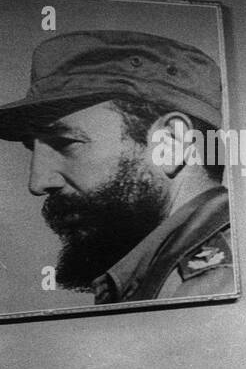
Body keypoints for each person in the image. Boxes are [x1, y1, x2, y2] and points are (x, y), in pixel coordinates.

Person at [0, 30, 234, 304]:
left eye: (65, 143)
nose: (37, 182)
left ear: (171, 142)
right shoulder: (157, 276)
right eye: (32, 147)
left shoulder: (208, 285)